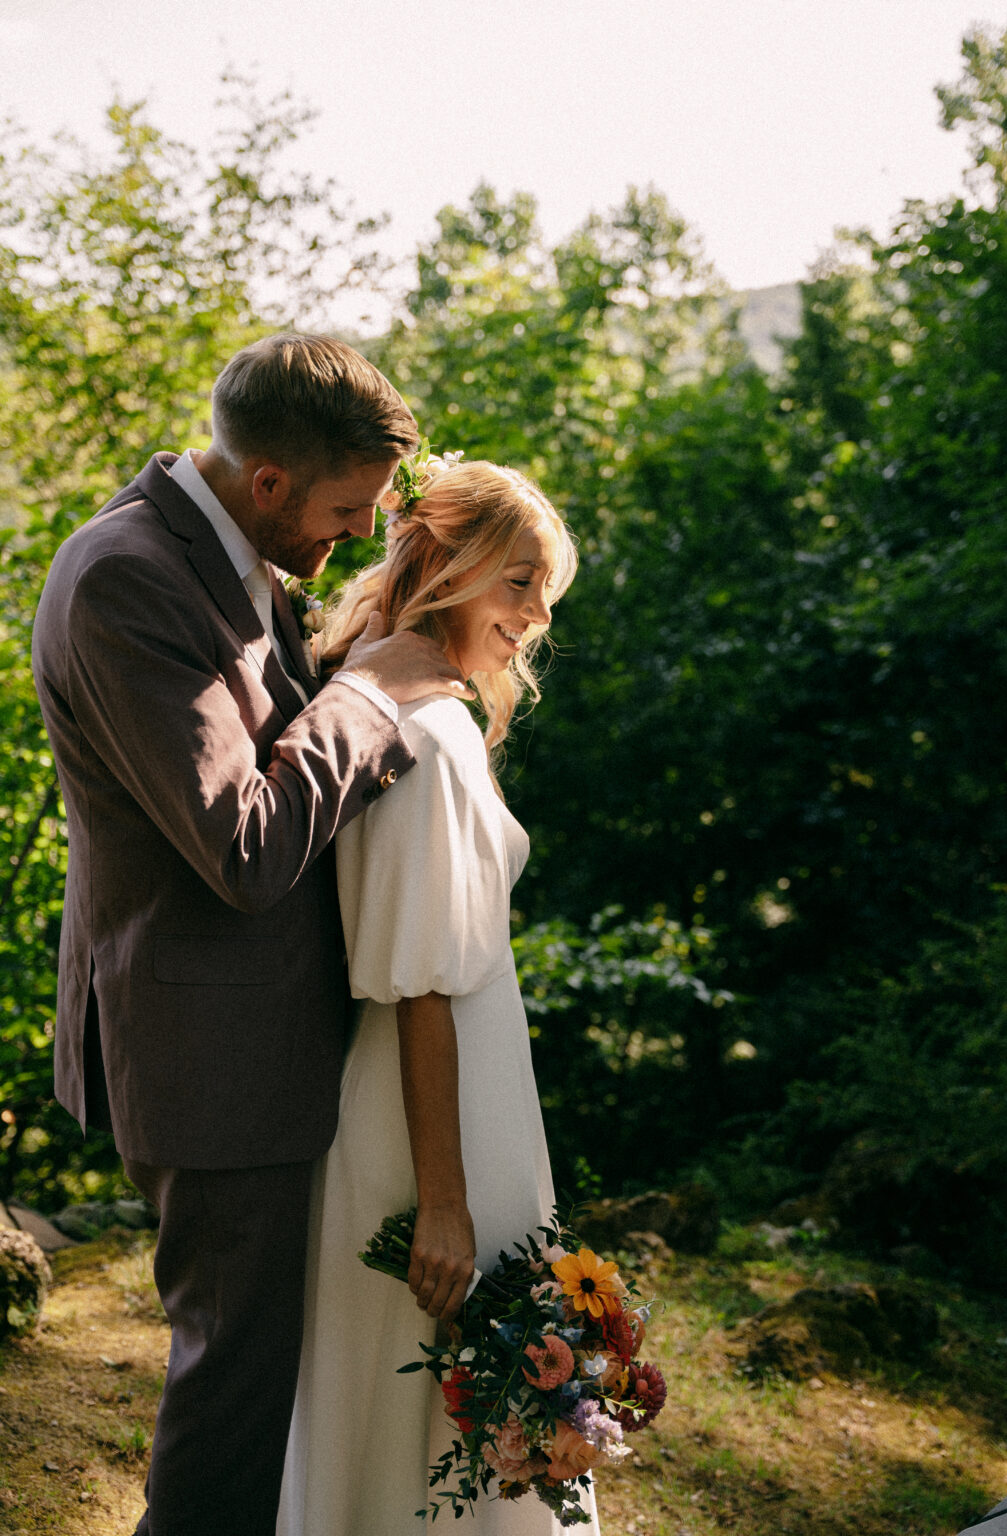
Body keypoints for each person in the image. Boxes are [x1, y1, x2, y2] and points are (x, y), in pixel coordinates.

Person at [30, 334, 474, 1536]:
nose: (350, 535)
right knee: (229, 1392)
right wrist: (374, 694)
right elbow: (244, 846)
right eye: (344, 510)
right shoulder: (125, 579)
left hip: (253, 1037)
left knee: (251, 1377)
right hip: (205, 1050)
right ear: (268, 479)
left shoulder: (230, 549)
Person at [275, 456, 600, 1534]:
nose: (534, 616)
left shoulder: (414, 701)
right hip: (430, 1111)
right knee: (427, 1390)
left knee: (448, 1400)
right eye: (516, 581)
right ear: (447, 566)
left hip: (462, 1086)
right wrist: (447, 1200)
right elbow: (418, 983)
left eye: (542, 592)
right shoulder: (420, 728)